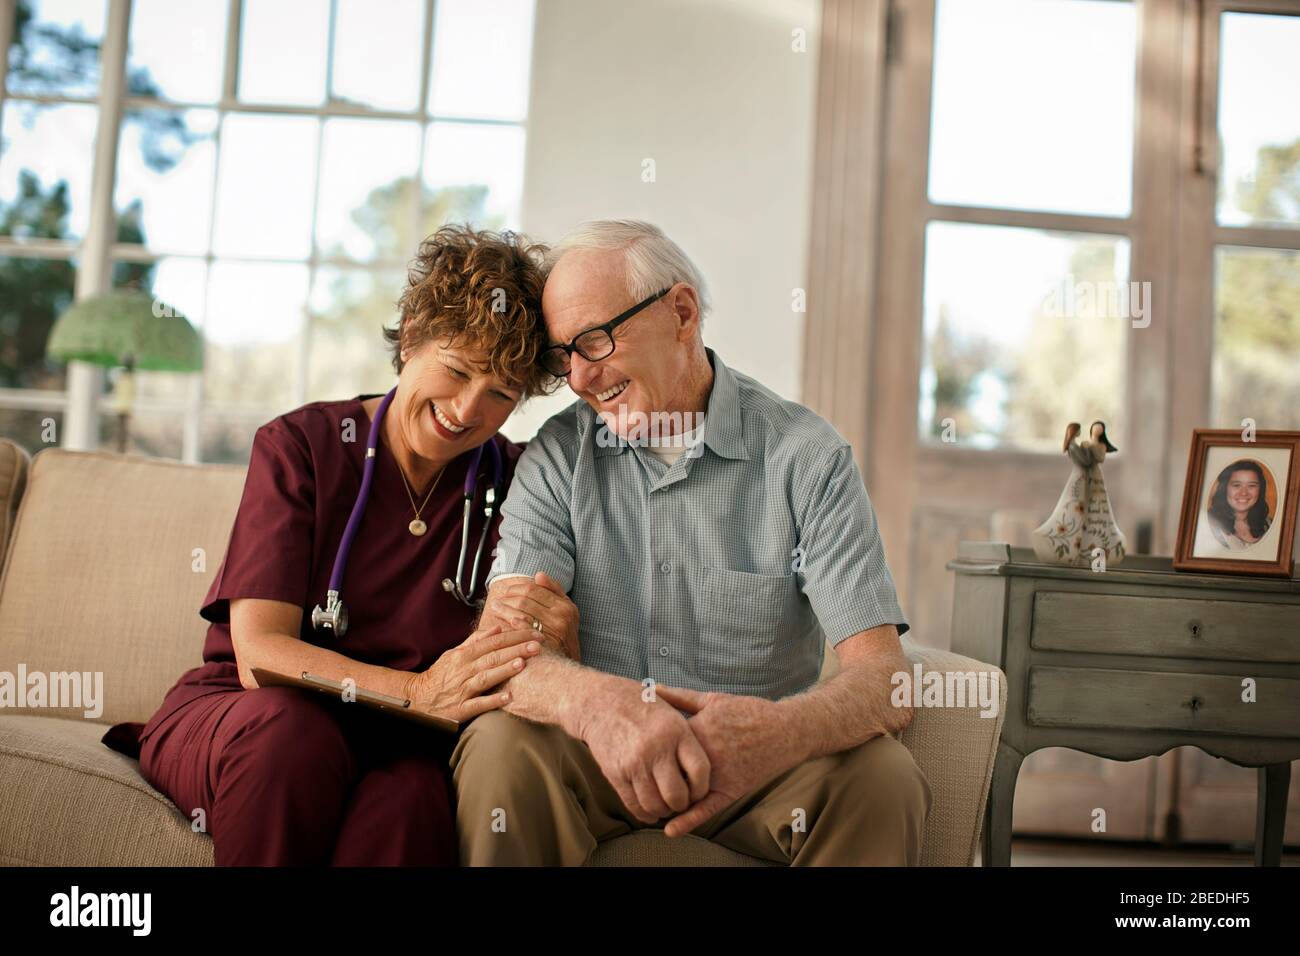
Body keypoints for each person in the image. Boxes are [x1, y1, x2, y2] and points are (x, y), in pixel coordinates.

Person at [453, 219, 931, 866]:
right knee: (501, 746)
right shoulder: (559, 456)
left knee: (883, 777)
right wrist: (598, 706)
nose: (580, 380)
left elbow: (884, 679)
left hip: (759, 771)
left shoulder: (807, 458)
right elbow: (501, 652)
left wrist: (779, 732)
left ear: (681, 312)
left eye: (594, 341)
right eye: (565, 356)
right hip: (601, 758)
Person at [102, 225, 580, 866]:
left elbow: (519, 653)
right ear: (412, 334)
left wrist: (562, 642)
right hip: (254, 714)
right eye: (458, 370)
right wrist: (417, 693)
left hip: (400, 744)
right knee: (294, 738)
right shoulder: (302, 446)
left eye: (501, 393)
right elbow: (260, 655)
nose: (468, 409)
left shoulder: (519, 484)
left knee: (416, 797)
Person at [1031, 420, 1126, 566]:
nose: (1095, 431)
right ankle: (1070, 549)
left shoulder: (1093, 446)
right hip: (1081, 477)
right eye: (1094, 429)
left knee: (1092, 508)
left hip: (1092, 478)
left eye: (1099, 429)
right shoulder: (1075, 446)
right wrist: (1087, 450)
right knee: (1074, 507)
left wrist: (1089, 449)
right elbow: (1085, 461)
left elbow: (1094, 459)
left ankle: (1093, 558)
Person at [1207, 459, 1272, 550]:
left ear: (1260, 490)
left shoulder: (1269, 524)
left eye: (1251, 485)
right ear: (1224, 488)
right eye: (1236, 485)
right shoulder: (1207, 524)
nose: (1244, 493)